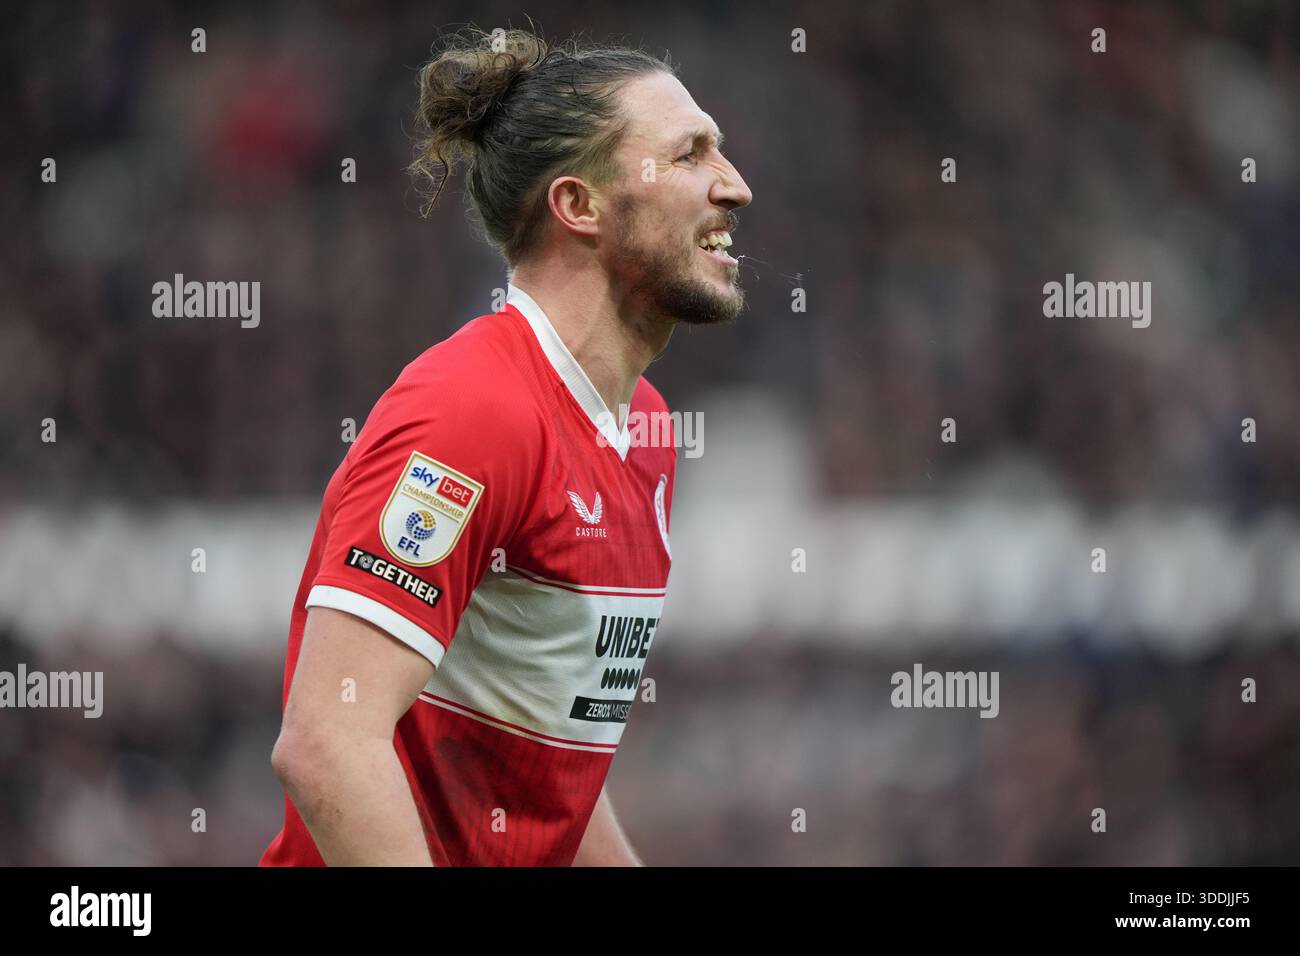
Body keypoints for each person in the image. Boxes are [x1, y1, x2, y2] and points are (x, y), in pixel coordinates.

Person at [261, 25, 753, 866]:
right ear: (580, 206)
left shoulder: (648, 432)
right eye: (690, 154)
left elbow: (547, 770)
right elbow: (325, 747)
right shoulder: (474, 411)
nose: (735, 187)